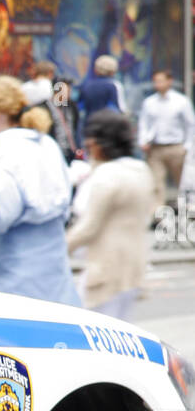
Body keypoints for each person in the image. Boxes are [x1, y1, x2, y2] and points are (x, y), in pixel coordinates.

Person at [0, 75, 80, 306]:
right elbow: (66, 198)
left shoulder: (4, 147)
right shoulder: (46, 143)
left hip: (14, 269)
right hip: (54, 267)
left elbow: (1, 213)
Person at [65, 110, 153, 322]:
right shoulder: (140, 169)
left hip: (105, 269)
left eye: (90, 142)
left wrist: (60, 247)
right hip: (132, 268)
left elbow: (89, 228)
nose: (88, 146)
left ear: (100, 143)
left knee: (96, 335)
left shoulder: (107, 176)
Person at [138, 69, 195, 215]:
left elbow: (190, 124)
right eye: (156, 81)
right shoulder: (149, 102)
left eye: (161, 80)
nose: (158, 84)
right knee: (157, 183)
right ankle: (158, 213)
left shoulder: (181, 101)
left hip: (177, 147)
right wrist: (143, 140)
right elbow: (143, 123)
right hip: (156, 147)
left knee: (183, 181)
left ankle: (187, 209)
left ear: (169, 81)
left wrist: (188, 146)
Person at [78, 54, 126, 121]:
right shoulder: (114, 85)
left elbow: (80, 107)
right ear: (113, 71)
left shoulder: (87, 85)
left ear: (96, 69)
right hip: (107, 125)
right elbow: (119, 109)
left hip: (89, 124)